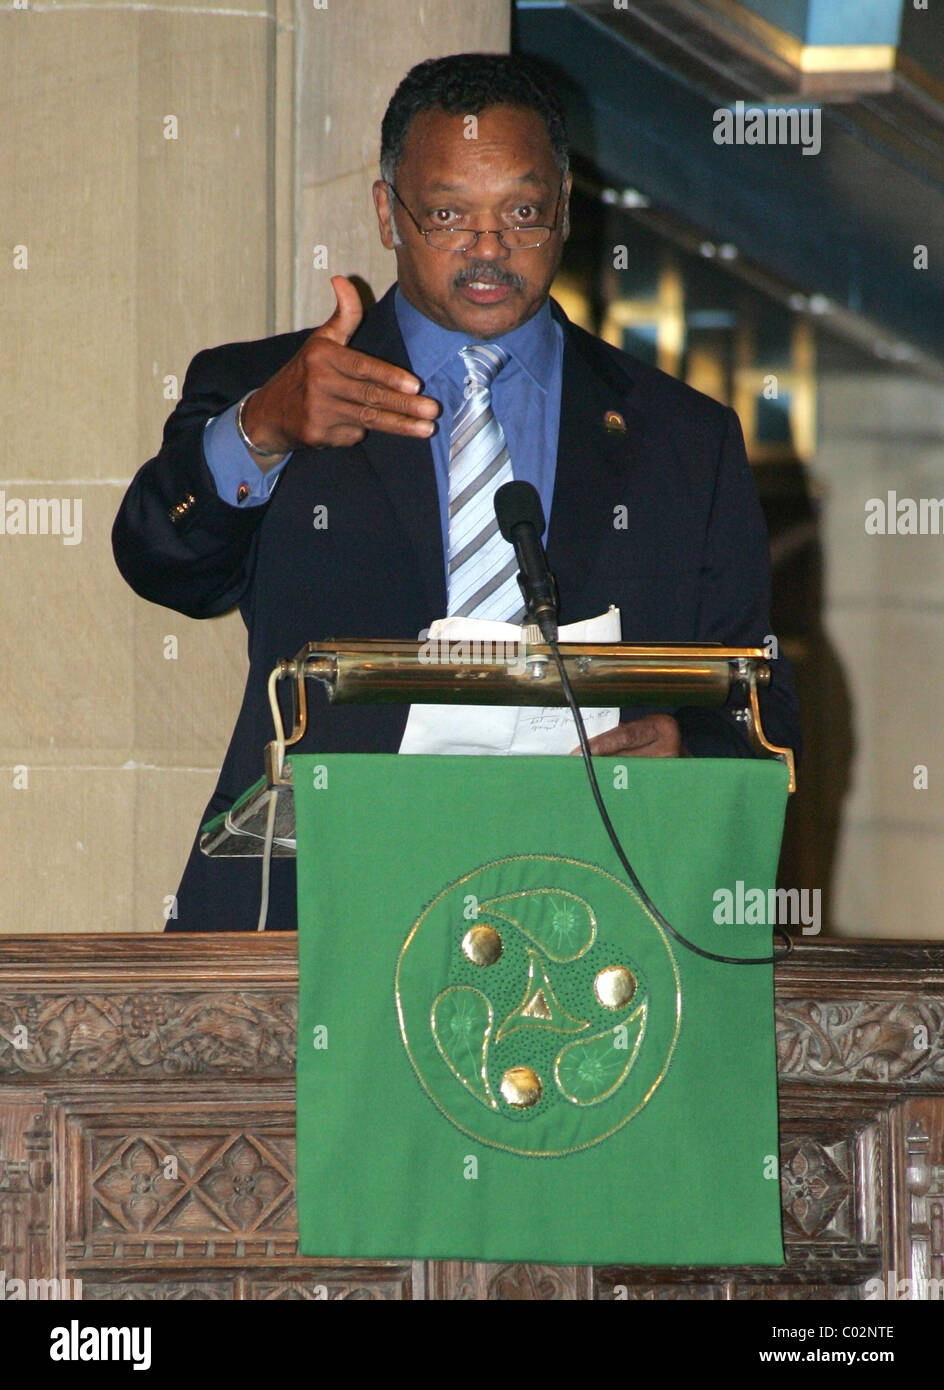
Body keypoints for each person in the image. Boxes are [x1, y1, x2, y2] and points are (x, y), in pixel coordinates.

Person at [113, 53, 800, 933]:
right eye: (446, 215)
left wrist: (692, 752)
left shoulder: (684, 439)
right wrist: (263, 429)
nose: (487, 247)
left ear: (563, 208)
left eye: (520, 212)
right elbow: (159, 561)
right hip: (314, 915)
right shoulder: (279, 385)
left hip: (599, 920)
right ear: (386, 212)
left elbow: (762, 696)